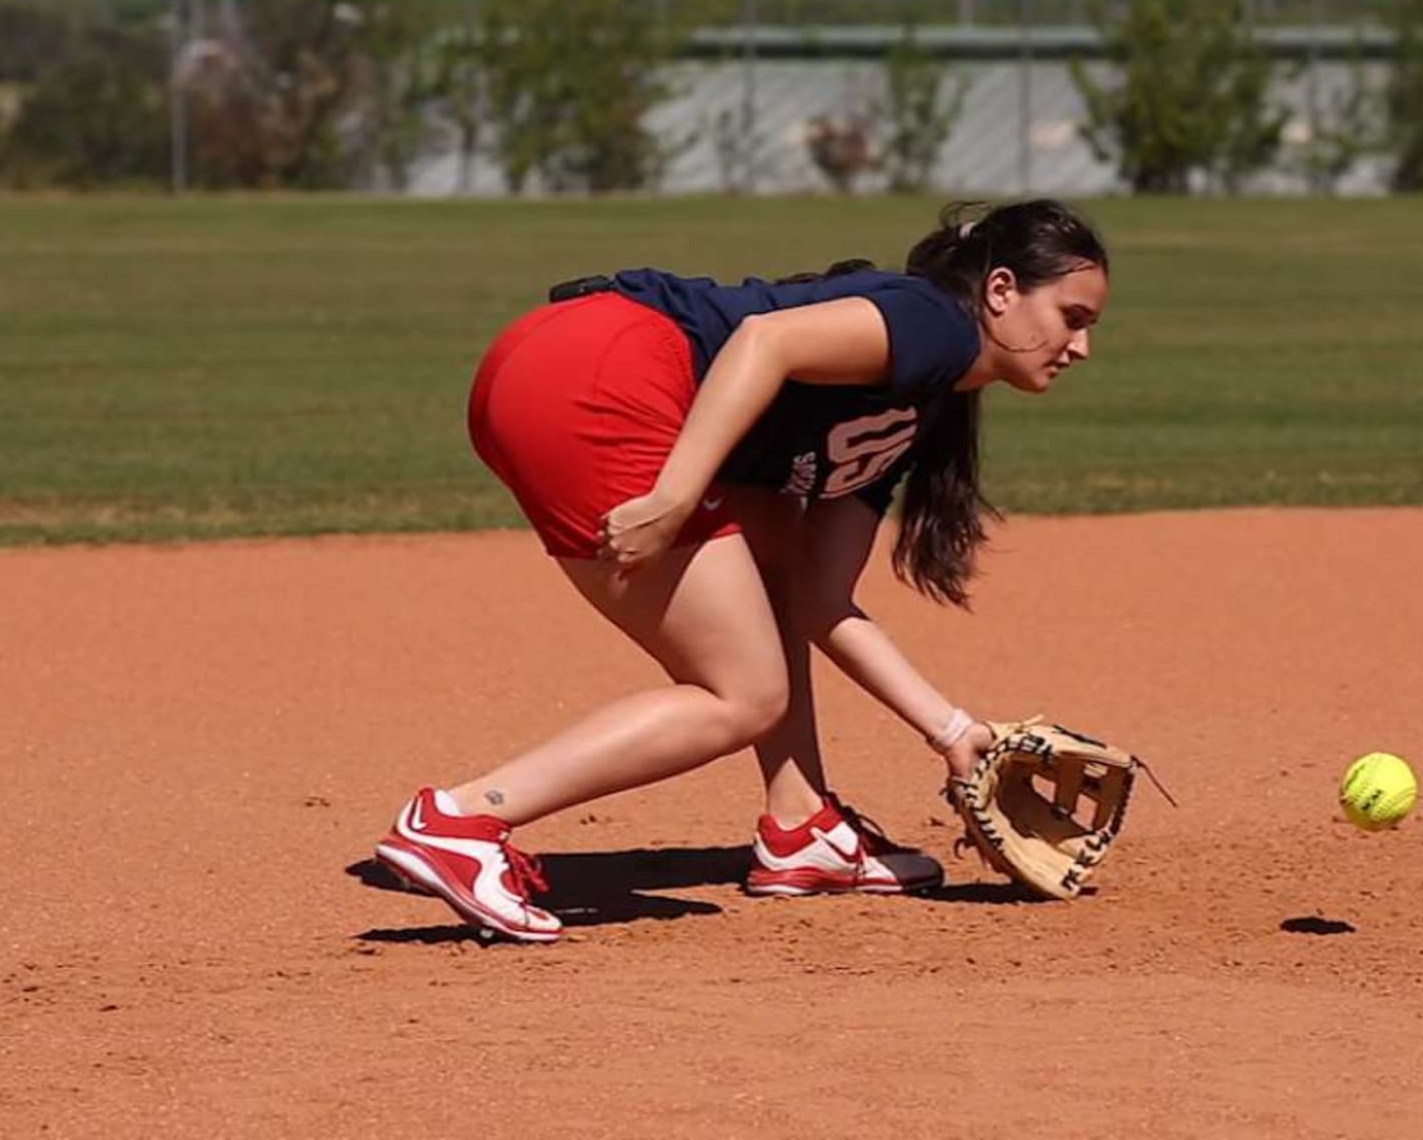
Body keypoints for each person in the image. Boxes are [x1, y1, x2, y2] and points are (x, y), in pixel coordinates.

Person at [373, 199, 1111, 942]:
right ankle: (460, 820)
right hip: (604, 368)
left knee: (774, 576)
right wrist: (676, 495)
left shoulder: (914, 410)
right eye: (1072, 315)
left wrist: (951, 731)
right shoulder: (934, 326)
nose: (1079, 347)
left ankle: (802, 825)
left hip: (552, 364)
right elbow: (765, 340)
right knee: (745, 692)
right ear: (1001, 290)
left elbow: (819, 598)